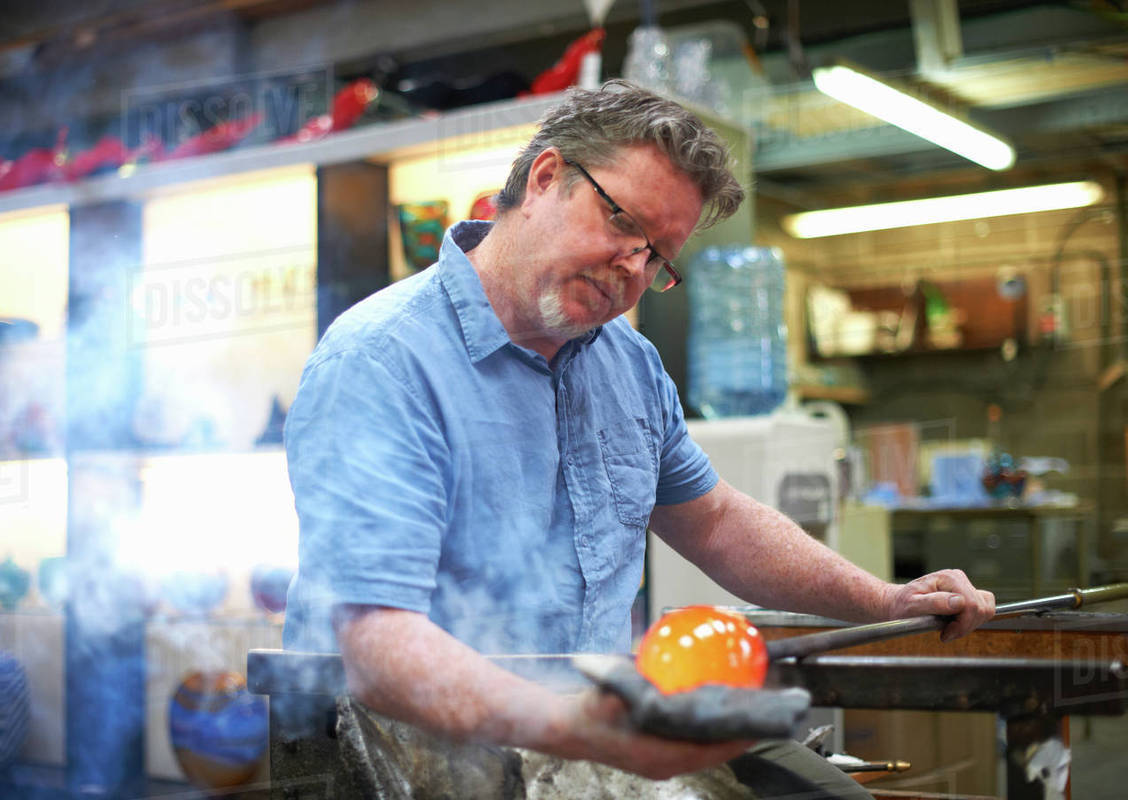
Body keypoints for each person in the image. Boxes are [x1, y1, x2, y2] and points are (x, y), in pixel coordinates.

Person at [282, 80, 996, 796]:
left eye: (657, 256)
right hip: (408, 758)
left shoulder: (626, 365)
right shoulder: (383, 361)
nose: (633, 266)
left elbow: (715, 522)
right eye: (622, 222)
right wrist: (581, 729)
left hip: (578, 751)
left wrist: (886, 602)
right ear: (545, 178)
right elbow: (373, 644)